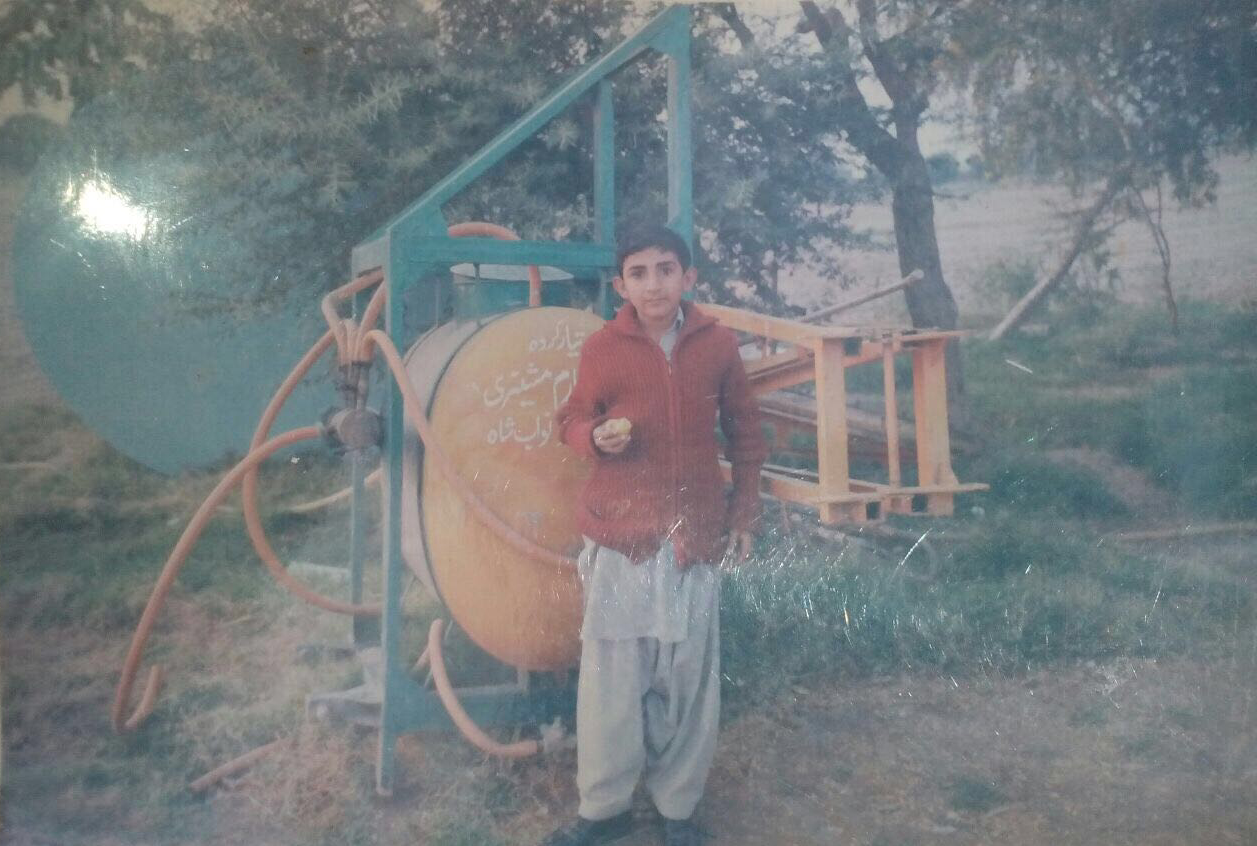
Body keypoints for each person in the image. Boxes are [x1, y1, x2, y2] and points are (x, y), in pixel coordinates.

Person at [544, 225, 768, 846]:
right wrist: (593, 436)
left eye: (666, 269)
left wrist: (743, 516)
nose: (653, 284)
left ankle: (678, 813)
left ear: (689, 277)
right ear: (621, 285)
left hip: (693, 537)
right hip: (621, 540)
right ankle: (605, 811)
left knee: (687, 680)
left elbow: (747, 437)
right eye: (638, 273)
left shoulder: (718, 345)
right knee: (613, 680)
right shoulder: (602, 349)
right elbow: (570, 417)